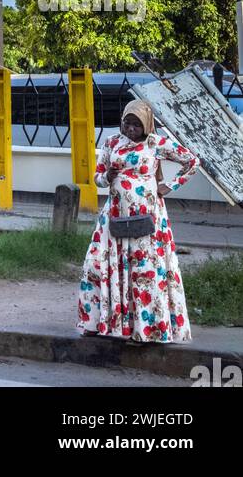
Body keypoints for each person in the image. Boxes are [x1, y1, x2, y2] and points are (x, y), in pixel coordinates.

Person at [77, 99, 199, 343]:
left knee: (145, 271)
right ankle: (103, 324)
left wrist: (169, 185)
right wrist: (106, 176)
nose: (131, 128)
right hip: (114, 217)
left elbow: (192, 162)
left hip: (148, 221)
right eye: (127, 123)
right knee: (97, 266)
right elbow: (97, 178)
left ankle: (147, 329)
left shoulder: (156, 143)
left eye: (136, 124)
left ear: (146, 125)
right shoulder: (111, 142)